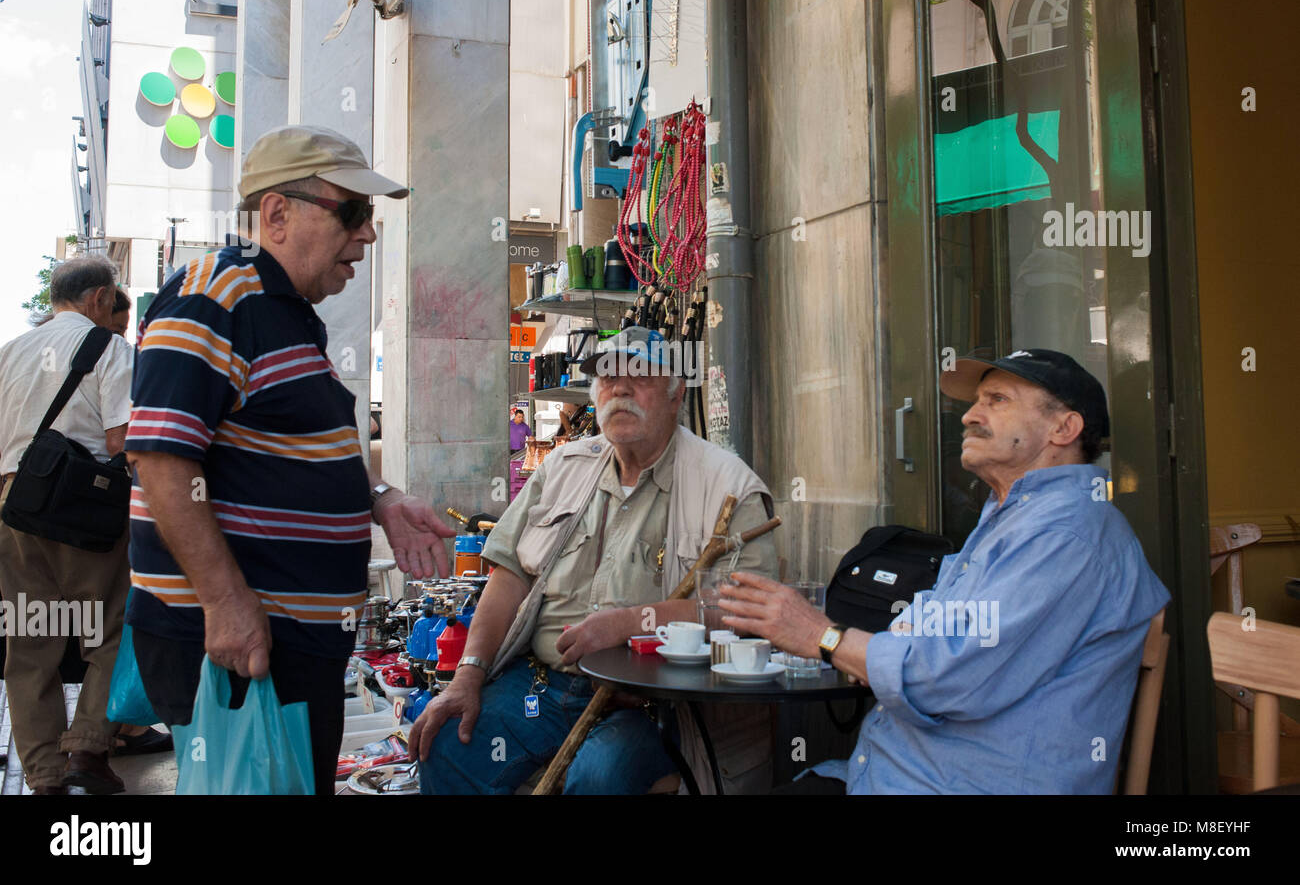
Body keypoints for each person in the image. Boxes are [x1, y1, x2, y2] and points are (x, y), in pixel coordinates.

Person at [124, 125, 457, 795]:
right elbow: (162, 460)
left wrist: (382, 498)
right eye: (354, 212)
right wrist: (225, 601)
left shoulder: (283, 310)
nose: (367, 235)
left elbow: (301, 445)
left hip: (283, 643)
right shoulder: (212, 295)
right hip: (240, 644)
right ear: (276, 213)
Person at [721, 349, 1170, 794]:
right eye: (976, 401)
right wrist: (873, 650)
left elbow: (943, 676)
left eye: (997, 400)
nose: (969, 416)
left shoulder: (1065, 536)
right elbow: (920, 632)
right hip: (889, 776)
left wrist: (823, 636)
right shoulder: (1014, 518)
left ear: (1064, 428)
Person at [410, 327, 779, 794]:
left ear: (675, 392)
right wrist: (468, 674)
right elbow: (508, 579)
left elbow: (745, 611)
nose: (619, 388)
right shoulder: (563, 468)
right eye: (606, 377)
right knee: (445, 744)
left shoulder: (728, 487)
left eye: (639, 375)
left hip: (647, 704)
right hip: (541, 687)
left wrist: (629, 624)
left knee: (600, 775)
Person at [0, 256, 134, 794]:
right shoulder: (110, 348)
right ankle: (86, 751)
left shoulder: (9, 352)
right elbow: (123, 439)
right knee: (111, 630)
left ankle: (44, 776)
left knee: (30, 639)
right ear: (100, 298)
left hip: (13, 505)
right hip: (85, 505)